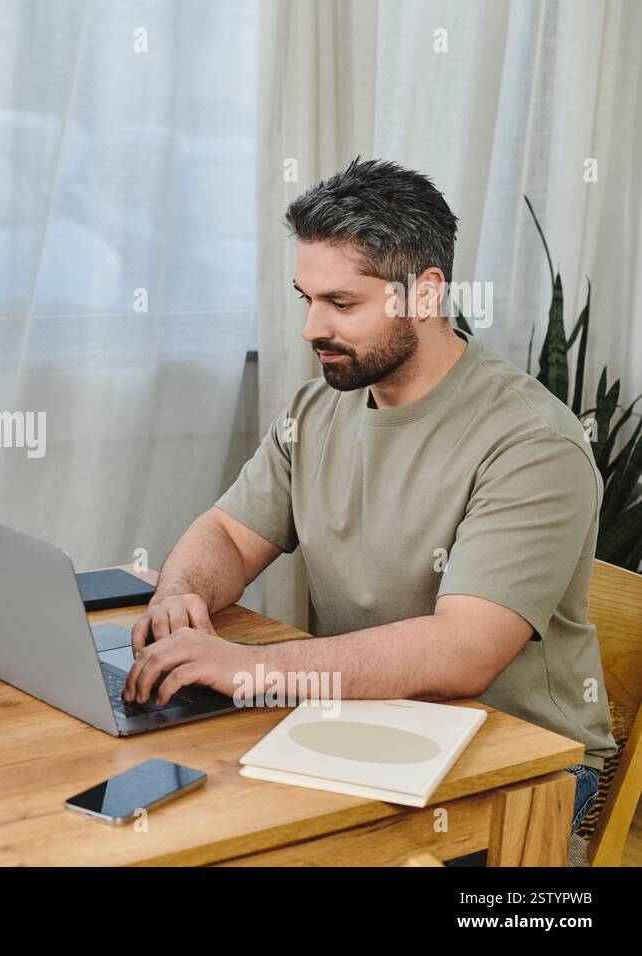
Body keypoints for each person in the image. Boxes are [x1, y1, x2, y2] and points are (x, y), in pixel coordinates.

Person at [122, 159, 615, 860]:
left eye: (342, 304)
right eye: (306, 299)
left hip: (521, 767)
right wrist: (180, 594)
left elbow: (463, 650)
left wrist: (254, 670)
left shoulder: (533, 442)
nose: (310, 328)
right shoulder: (317, 407)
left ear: (425, 294)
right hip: (362, 724)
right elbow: (229, 534)